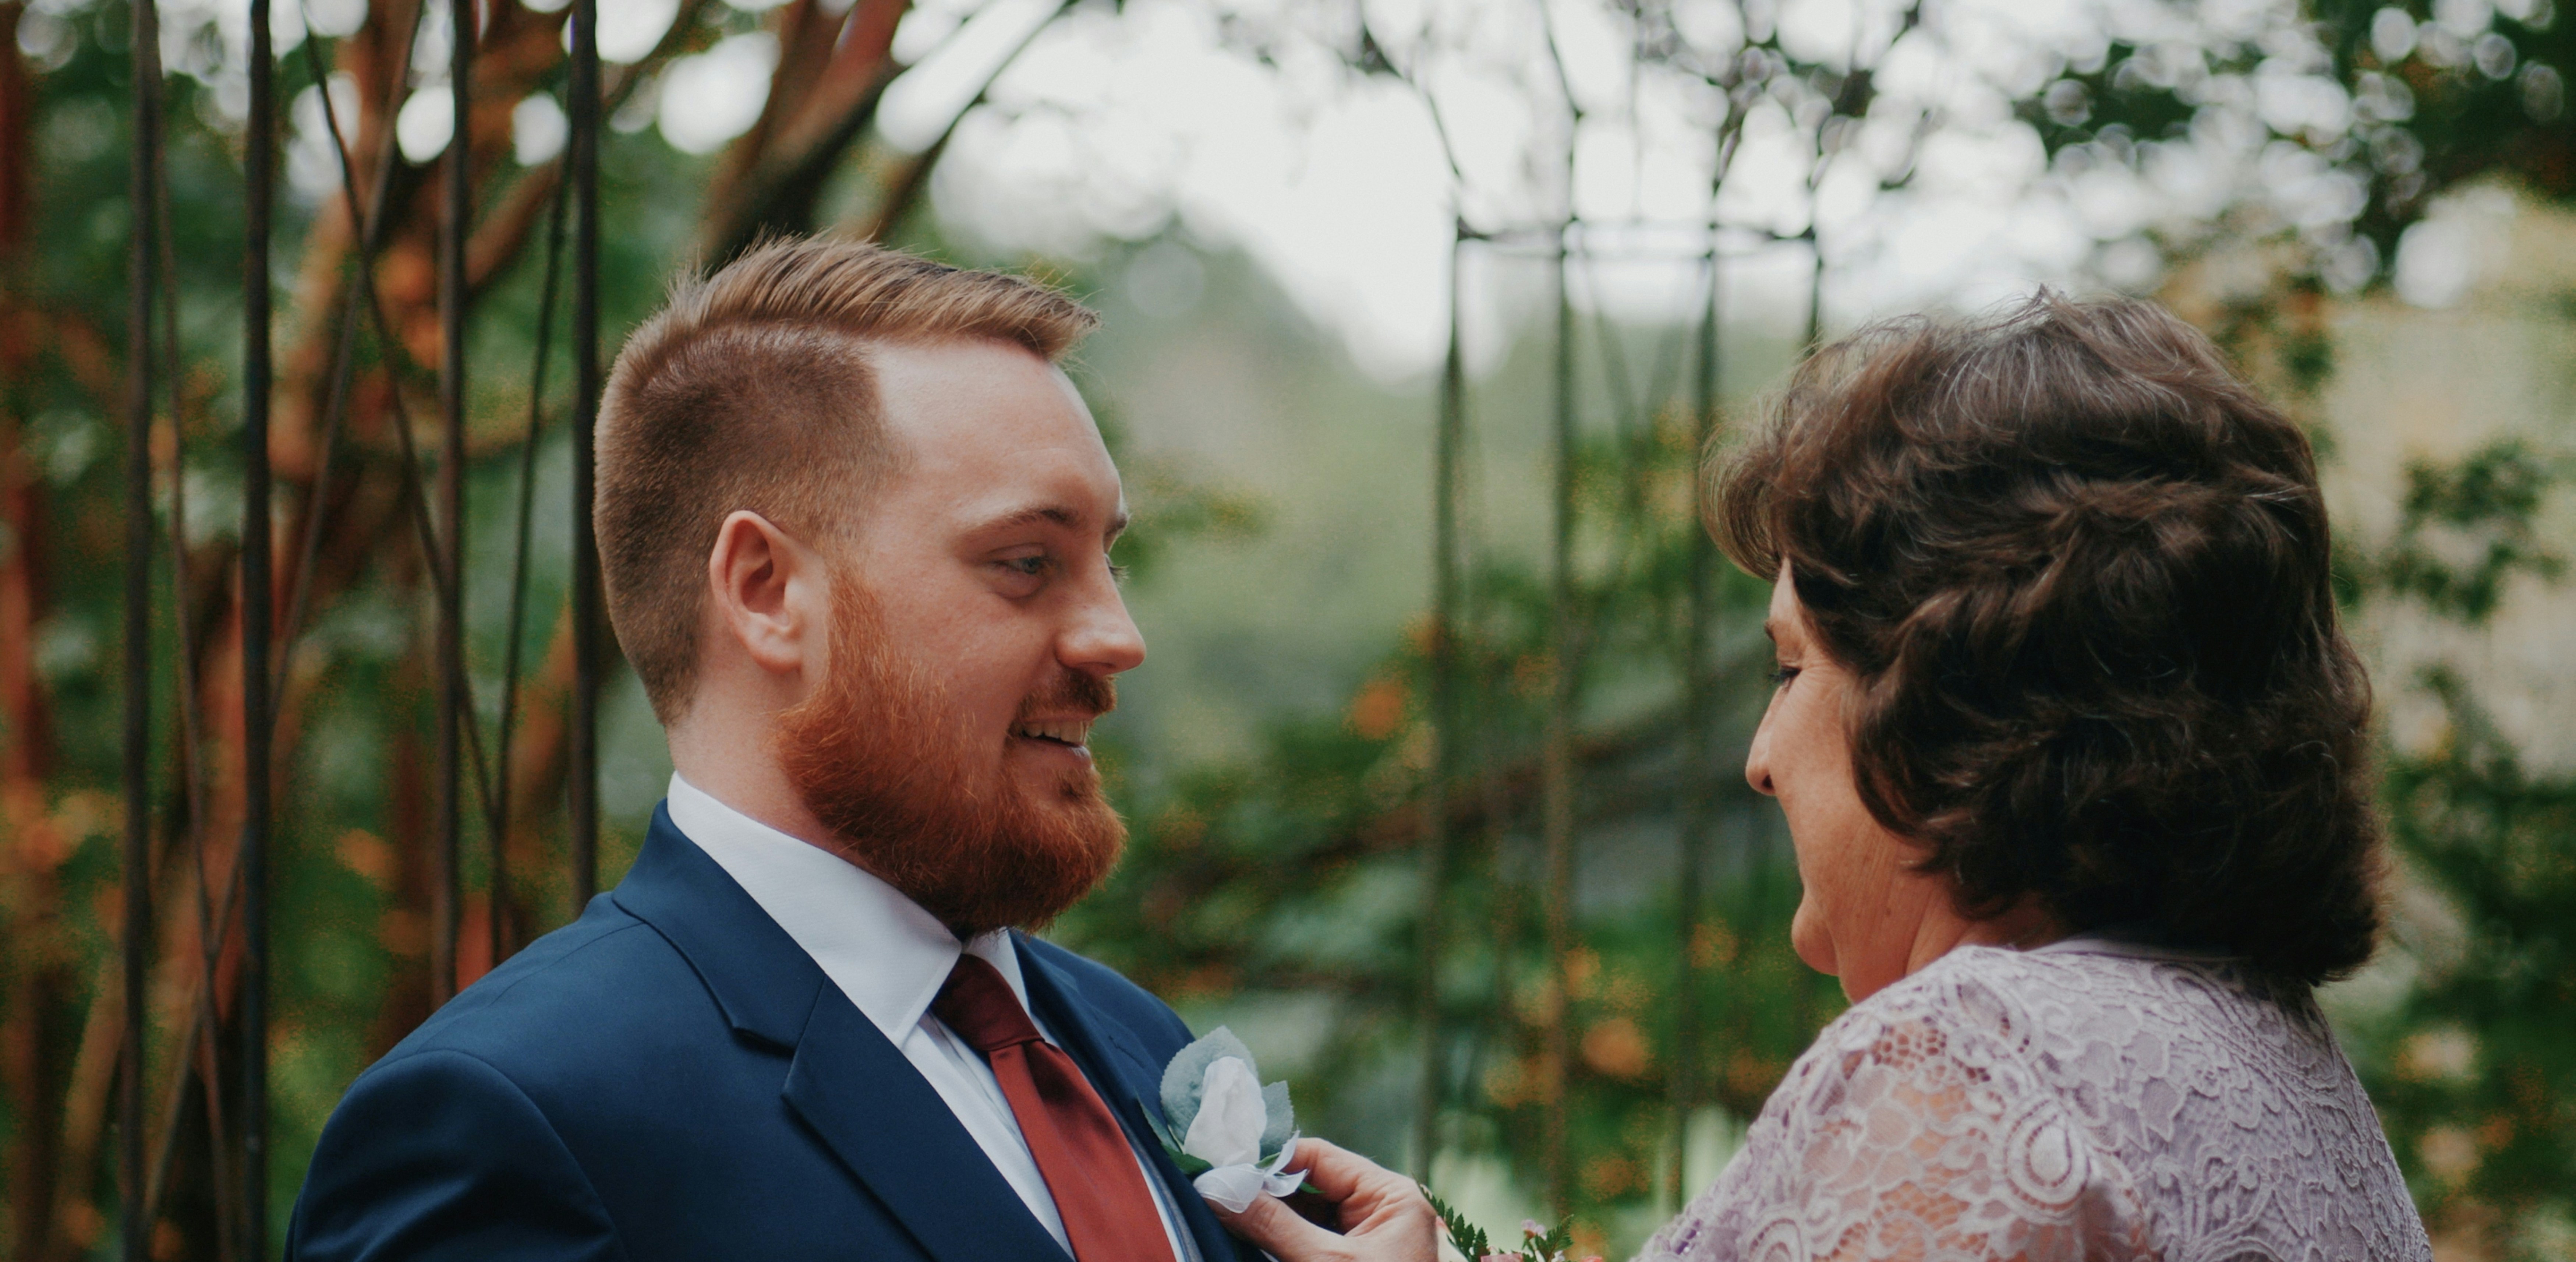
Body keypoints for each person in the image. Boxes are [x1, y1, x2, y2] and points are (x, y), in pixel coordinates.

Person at [1214, 293, 2435, 1262]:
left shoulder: (1970, 1056)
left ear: (1952, 691)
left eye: (1793, 667)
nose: (1758, 755)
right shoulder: (2289, 1074)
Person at [287, 238, 1264, 1262]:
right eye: (1027, 563)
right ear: (765, 590)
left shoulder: (1140, 1044)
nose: (1119, 635)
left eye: (1105, 560)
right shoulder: (522, 1123)